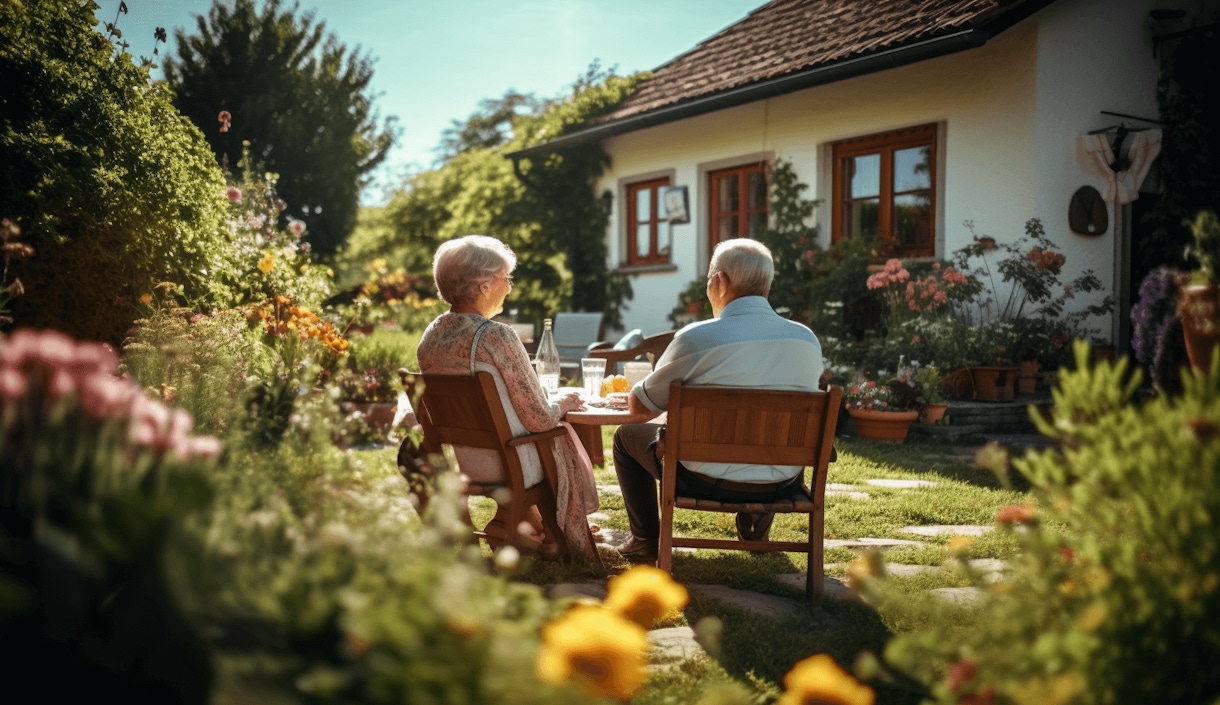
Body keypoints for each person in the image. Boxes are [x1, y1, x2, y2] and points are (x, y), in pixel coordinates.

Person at [610, 238, 824, 563]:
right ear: (766, 283)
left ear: (720, 282)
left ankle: (645, 541)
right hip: (782, 481)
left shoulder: (700, 337)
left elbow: (640, 408)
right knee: (766, 437)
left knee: (625, 436)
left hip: (704, 481)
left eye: (711, 277)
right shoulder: (806, 340)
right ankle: (756, 533)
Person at [416, 235, 600, 559]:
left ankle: (530, 529)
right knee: (562, 428)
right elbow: (539, 417)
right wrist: (565, 403)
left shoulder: (431, 335)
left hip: (466, 460)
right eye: (505, 278)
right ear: (485, 285)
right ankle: (561, 532)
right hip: (510, 461)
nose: (509, 286)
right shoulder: (495, 335)